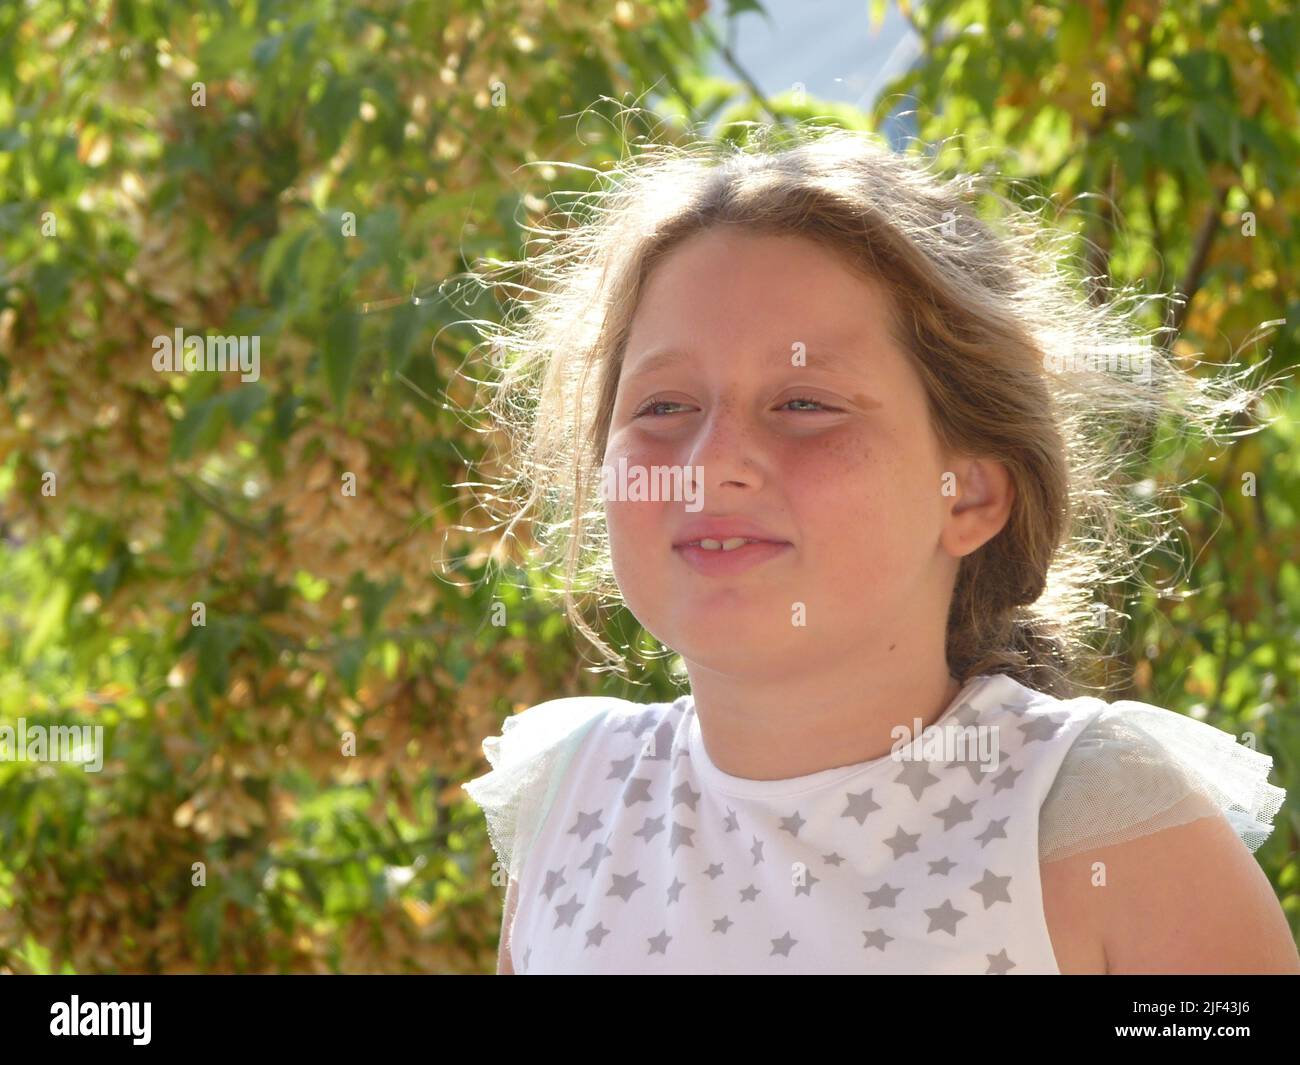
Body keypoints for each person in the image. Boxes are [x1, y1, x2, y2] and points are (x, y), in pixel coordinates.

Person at [460, 119, 1297, 974]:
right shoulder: (571, 802)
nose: (711, 464)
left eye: (804, 404)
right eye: (664, 407)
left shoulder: (1103, 822)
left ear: (968, 490)